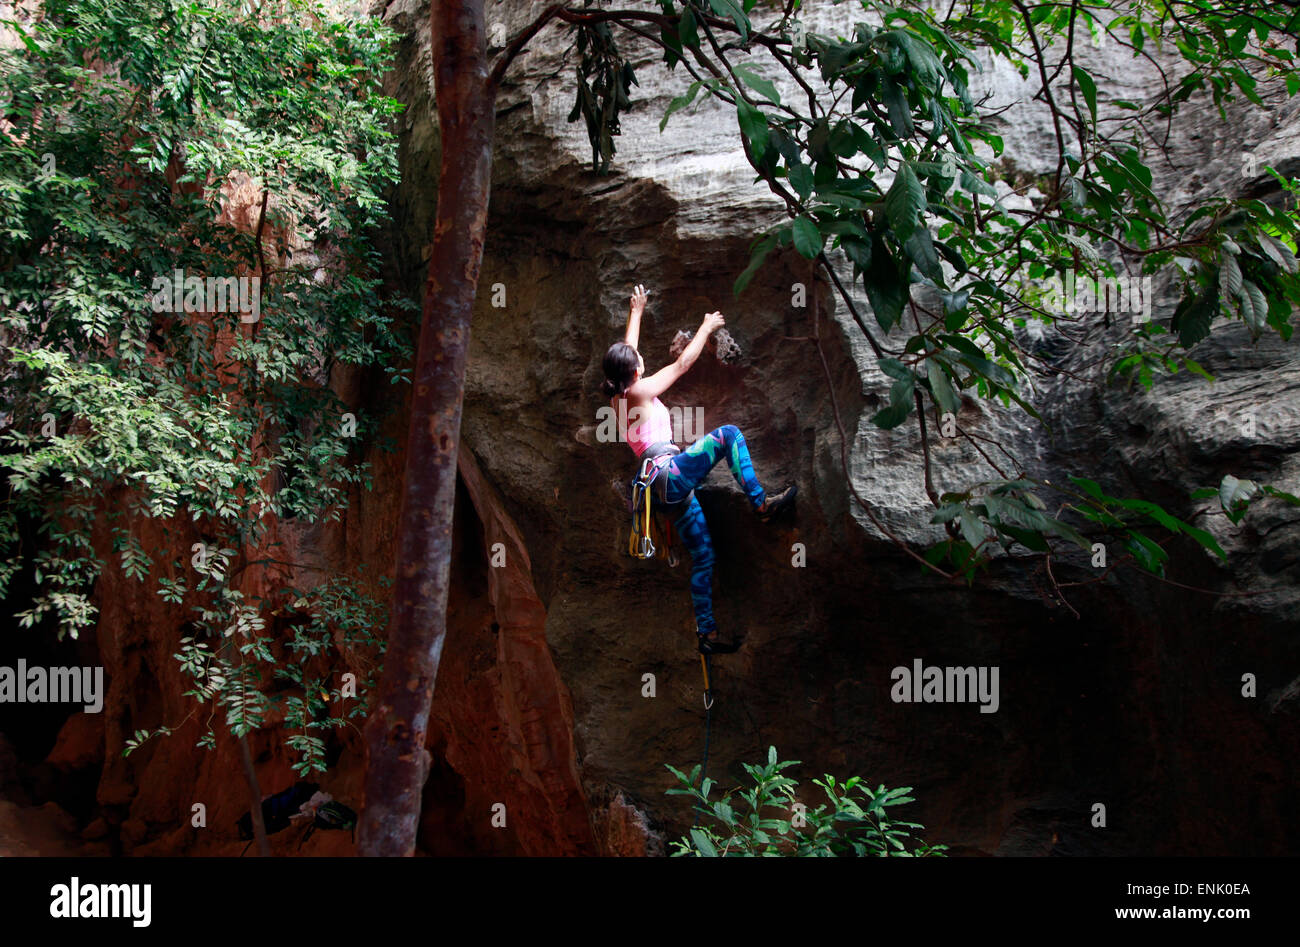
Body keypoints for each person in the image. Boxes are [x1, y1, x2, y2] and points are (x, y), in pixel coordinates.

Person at [601, 284, 797, 654]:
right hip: (669, 476)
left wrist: (637, 312)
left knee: (704, 557)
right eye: (638, 363)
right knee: (729, 435)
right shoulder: (639, 391)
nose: (642, 361)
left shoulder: (618, 396)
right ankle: (761, 506)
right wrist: (707, 328)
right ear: (635, 372)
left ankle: (706, 635)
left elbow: (629, 352)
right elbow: (681, 365)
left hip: (664, 493)